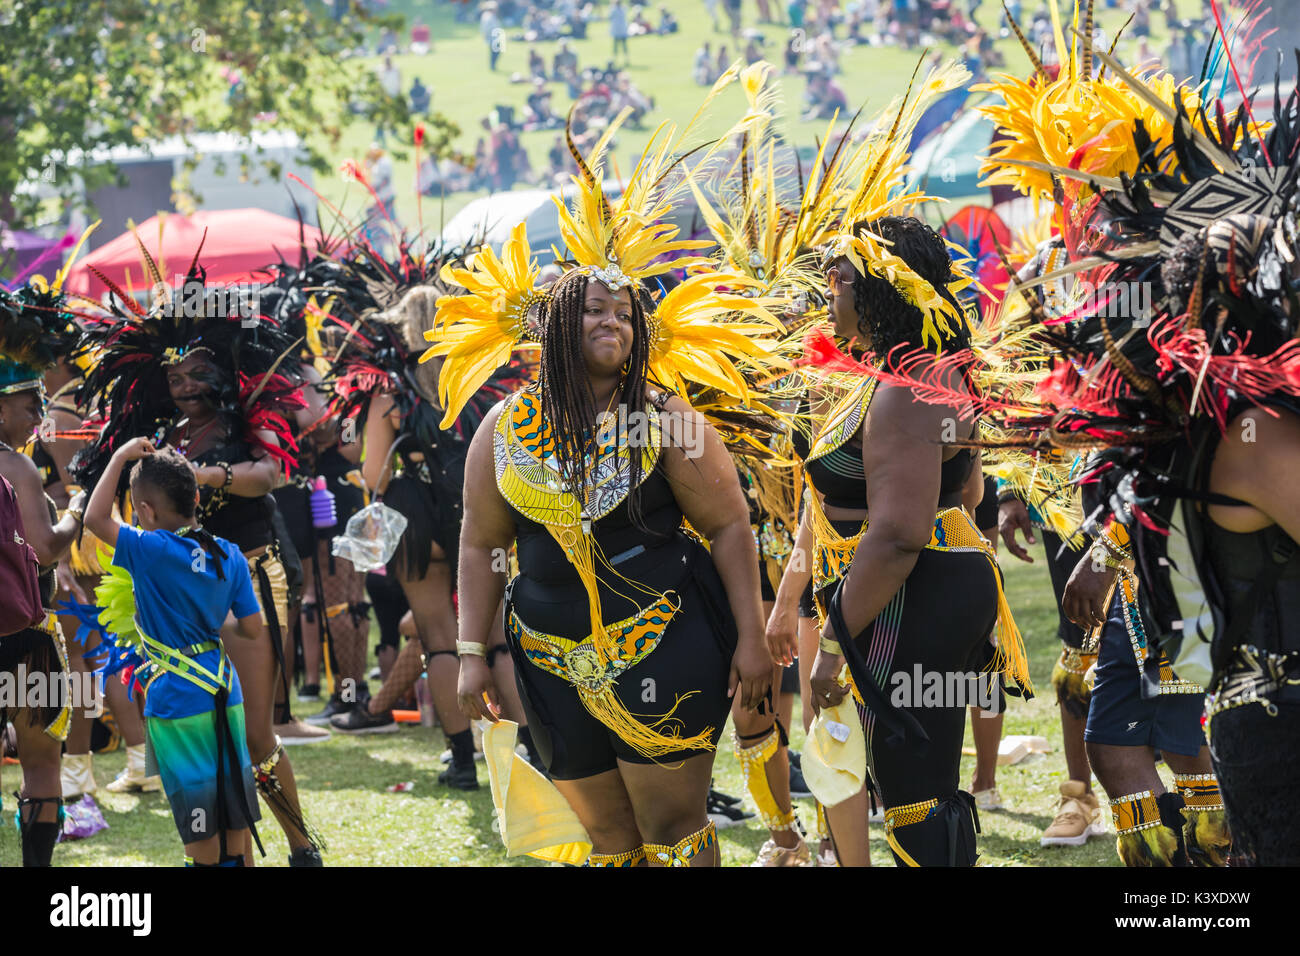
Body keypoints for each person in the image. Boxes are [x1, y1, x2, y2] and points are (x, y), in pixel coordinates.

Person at [433, 118, 781, 864]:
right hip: (549, 659)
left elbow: (730, 526)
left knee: (673, 833)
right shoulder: (504, 427)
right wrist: (470, 653)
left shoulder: (665, 421)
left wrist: (753, 640)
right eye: (594, 309)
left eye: (624, 313)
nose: (613, 322)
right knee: (609, 840)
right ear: (559, 323)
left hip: (663, 647)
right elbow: (481, 541)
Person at [72, 260, 326, 866]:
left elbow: (272, 475)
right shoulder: (165, 429)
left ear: (222, 368)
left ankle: (298, 844)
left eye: (196, 374)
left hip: (248, 580)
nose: (185, 386)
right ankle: (223, 853)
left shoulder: (247, 419)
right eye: (174, 376)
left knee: (255, 734)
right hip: (183, 595)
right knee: (208, 727)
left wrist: (201, 474)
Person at [806, 215, 1030, 867]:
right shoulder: (936, 369)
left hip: (913, 592)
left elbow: (900, 535)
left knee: (912, 790)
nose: (829, 286)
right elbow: (970, 496)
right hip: (941, 585)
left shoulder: (907, 386)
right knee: (924, 785)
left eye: (840, 274)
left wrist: (830, 644)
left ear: (879, 288)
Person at [84, 441, 264, 866]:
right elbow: (253, 629)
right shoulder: (230, 554)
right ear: (197, 497)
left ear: (145, 511)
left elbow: (93, 518)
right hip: (224, 689)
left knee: (198, 823)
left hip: (176, 700)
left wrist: (117, 458)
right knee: (232, 810)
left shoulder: (149, 550)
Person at [0, 282, 86, 866]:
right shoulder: (18, 468)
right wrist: (79, 508)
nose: (39, 415)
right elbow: (47, 549)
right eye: (31, 403)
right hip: (24, 639)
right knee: (39, 763)